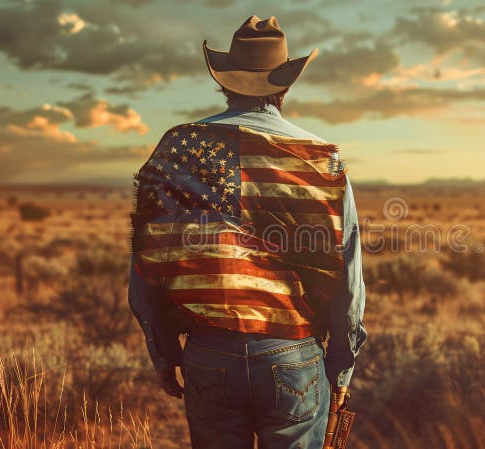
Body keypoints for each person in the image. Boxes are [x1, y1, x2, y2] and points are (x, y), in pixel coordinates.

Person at [127, 15, 367, 449]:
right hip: (293, 352)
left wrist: (163, 352)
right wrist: (341, 366)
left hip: (208, 351)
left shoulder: (177, 148)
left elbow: (148, 263)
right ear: (286, 86)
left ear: (225, 82)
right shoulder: (320, 159)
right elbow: (348, 276)